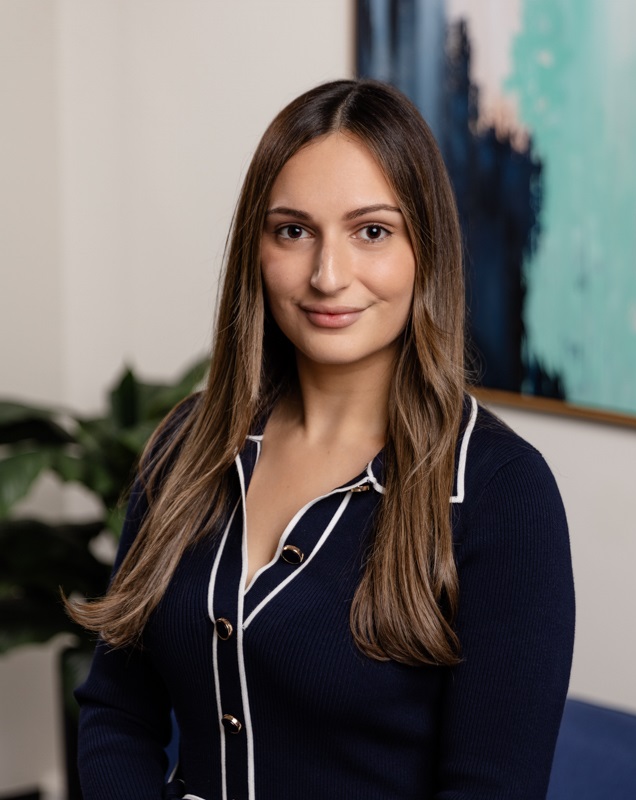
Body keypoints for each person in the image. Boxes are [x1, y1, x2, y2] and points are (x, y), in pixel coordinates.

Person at [68, 79, 575, 800]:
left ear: (424, 250)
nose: (326, 276)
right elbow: (116, 708)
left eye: (372, 231)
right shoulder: (188, 442)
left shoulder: (501, 492)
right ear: (257, 248)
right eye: (293, 231)